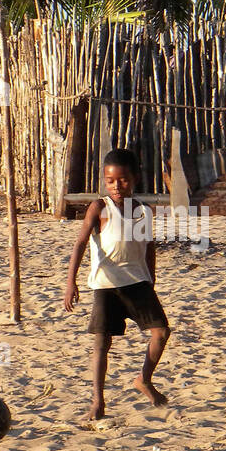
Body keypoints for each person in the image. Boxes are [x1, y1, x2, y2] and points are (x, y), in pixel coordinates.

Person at [63, 148, 171, 419]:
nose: (116, 186)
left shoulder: (144, 211)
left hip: (138, 282)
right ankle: (98, 402)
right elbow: (79, 243)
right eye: (110, 180)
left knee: (161, 333)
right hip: (106, 285)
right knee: (102, 343)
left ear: (135, 178)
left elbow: (148, 246)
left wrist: (151, 278)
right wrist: (70, 282)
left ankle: (144, 379)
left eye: (122, 180)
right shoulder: (99, 208)